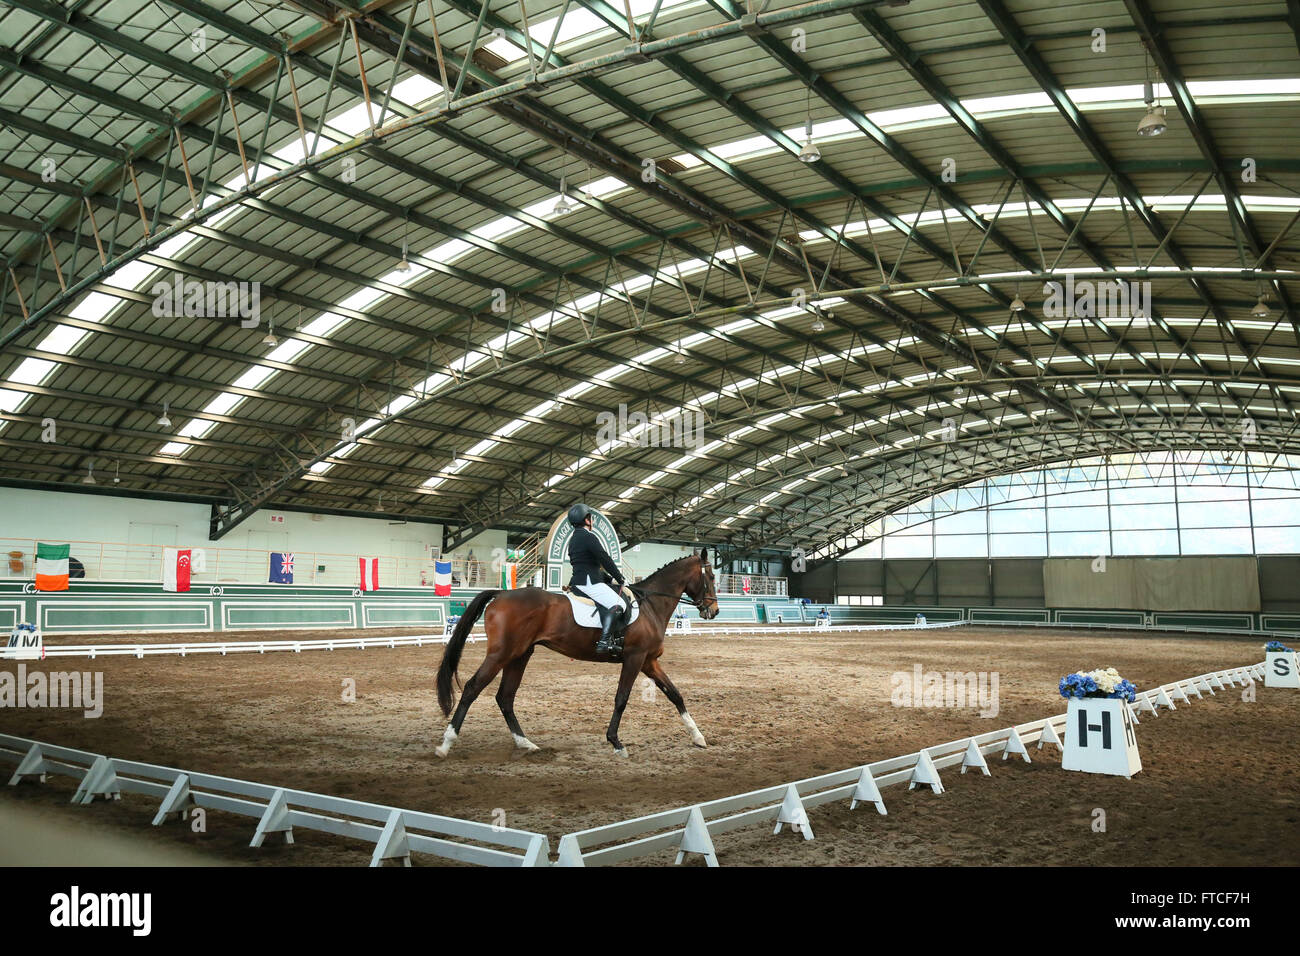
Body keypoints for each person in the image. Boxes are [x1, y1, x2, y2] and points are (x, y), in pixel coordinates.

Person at [566, 503, 627, 655]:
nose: (592, 521)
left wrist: (609, 579)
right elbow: (604, 558)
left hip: (578, 581)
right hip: (588, 582)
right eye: (590, 518)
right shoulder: (588, 537)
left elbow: (588, 565)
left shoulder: (573, 539)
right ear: (587, 520)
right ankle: (604, 642)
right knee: (618, 604)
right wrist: (619, 577)